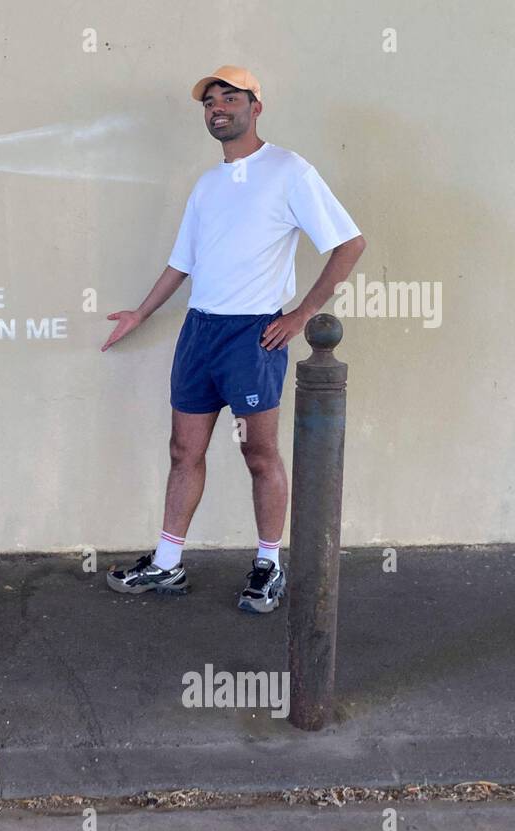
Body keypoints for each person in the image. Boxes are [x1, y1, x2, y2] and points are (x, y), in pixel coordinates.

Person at [101, 65, 366, 613]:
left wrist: (300, 315)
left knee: (260, 453)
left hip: (253, 335)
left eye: (230, 97)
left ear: (255, 107)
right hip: (200, 332)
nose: (217, 107)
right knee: (183, 451)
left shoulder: (289, 170)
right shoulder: (206, 185)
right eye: (209, 101)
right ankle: (167, 564)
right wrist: (141, 315)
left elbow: (349, 244)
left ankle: (268, 564)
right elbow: (182, 263)